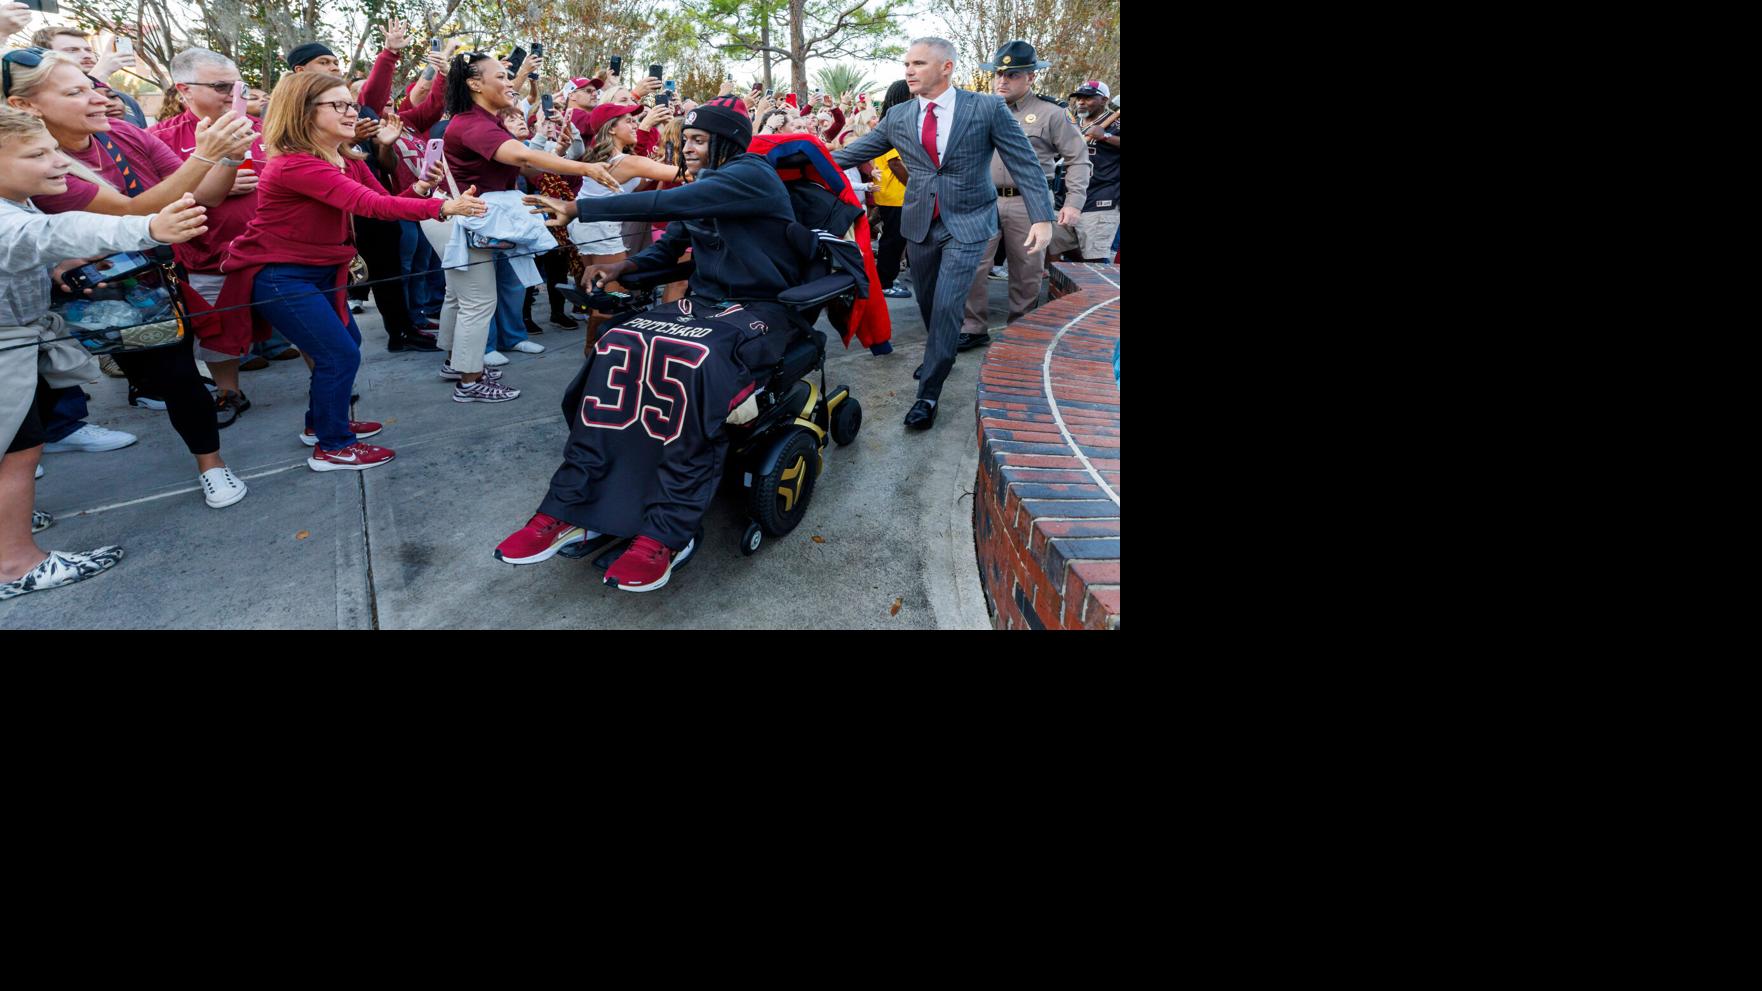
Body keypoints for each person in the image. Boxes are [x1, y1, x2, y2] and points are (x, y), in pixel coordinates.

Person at [510, 103, 799, 591]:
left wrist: (582, 207)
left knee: (690, 360)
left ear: (729, 143)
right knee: (619, 340)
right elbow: (670, 249)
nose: (687, 148)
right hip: (705, 306)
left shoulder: (751, 174)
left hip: (762, 310)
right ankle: (577, 507)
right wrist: (624, 269)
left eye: (700, 141)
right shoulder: (700, 187)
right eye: (685, 139)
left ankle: (667, 530)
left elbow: (663, 208)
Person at [8, 47, 256, 502]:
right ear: (26, 107)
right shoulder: (33, 161)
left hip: (142, 288)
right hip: (60, 300)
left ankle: (212, 466)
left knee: (179, 376)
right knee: (33, 399)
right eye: (76, 91)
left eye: (93, 85)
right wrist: (206, 155)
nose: (99, 97)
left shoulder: (124, 135)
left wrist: (224, 158)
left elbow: (207, 196)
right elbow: (131, 213)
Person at [219, 71, 484, 471]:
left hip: (320, 271)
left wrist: (422, 191)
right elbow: (372, 207)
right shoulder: (295, 164)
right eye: (338, 105)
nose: (351, 112)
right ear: (304, 112)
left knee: (344, 344)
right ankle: (333, 445)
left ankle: (323, 424)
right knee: (338, 354)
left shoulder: (343, 157)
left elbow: (381, 201)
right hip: (282, 275)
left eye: (350, 103)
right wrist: (444, 207)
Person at [1, 108, 213, 599]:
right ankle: (15, 563)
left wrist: (59, 267)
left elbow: (44, 246)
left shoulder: (18, 201)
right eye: (38, 154)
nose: (59, 162)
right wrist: (149, 229)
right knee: (18, 449)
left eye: (55, 148)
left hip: (20, 339)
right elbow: (52, 234)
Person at [832, 38, 1054, 431]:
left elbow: (1025, 163)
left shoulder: (985, 108)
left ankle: (929, 393)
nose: (909, 71)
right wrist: (777, 158)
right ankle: (940, 350)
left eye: (918, 63)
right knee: (931, 304)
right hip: (919, 224)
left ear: (946, 67)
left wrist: (1042, 217)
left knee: (951, 304)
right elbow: (849, 155)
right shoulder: (899, 115)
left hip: (968, 224)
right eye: (906, 64)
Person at [417, 51, 619, 405]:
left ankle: (456, 362)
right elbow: (523, 158)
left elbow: (523, 167)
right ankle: (470, 380)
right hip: (460, 220)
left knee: (460, 297)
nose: (509, 83)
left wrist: (558, 157)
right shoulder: (472, 124)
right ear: (475, 84)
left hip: (458, 218)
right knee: (478, 301)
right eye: (501, 76)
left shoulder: (484, 120)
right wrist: (585, 169)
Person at [148, 47, 272, 424]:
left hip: (275, 250)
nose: (233, 94)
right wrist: (211, 184)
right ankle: (228, 391)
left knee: (308, 318)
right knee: (218, 332)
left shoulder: (265, 128)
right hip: (207, 255)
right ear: (183, 89)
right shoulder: (158, 138)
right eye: (221, 86)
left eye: (238, 85)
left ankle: (328, 381)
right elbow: (149, 199)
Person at [957, 41, 1090, 351]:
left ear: (1031, 77)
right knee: (973, 265)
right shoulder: (981, 109)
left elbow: (1078, 158)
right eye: (998, 74)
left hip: (1028, 202)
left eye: (1012, 75)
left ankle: (1021, 329)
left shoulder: (1051, 113)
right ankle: (973, 326)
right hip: (983, 200)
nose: (1002, 81)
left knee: (1026, 270)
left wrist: (1073, 202)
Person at [567, 100, 681, 344]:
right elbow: (684, 174)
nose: (635, 125)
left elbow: (634, 188)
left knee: (599, 292)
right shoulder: (628, 162)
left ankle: (595, 350)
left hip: (587, 224)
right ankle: (597, 352)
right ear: (611, 129)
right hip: (599, 226)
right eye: (629, 121)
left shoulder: (615, 158)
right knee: (613, 295)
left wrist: (654, 170)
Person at [1048, 80, 1119, 262]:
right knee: (1056, 245)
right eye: (1079, 97)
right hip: (1066, 197)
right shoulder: (1070, 122)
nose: (1081, 102)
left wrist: (1106, 136)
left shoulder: (1115, 123)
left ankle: (1099, 290)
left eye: (1088, 98)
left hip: (1100, 197)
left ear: (1103, 100)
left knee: (1094, 258)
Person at [29, 26, 148, 127]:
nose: (86, 55)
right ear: (46, 56)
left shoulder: (123, 99)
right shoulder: (42, 101)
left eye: (88, 50)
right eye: (72, 50)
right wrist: (101, 73)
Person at [869, 80, 911, 299]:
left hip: (893, 193)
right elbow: (895, 163)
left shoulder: (891, 121)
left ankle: (888, 277)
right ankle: (884, 282)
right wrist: (915, 187)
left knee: (894, 239)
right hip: (896, 194)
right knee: (893, 241)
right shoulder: (893, 124)